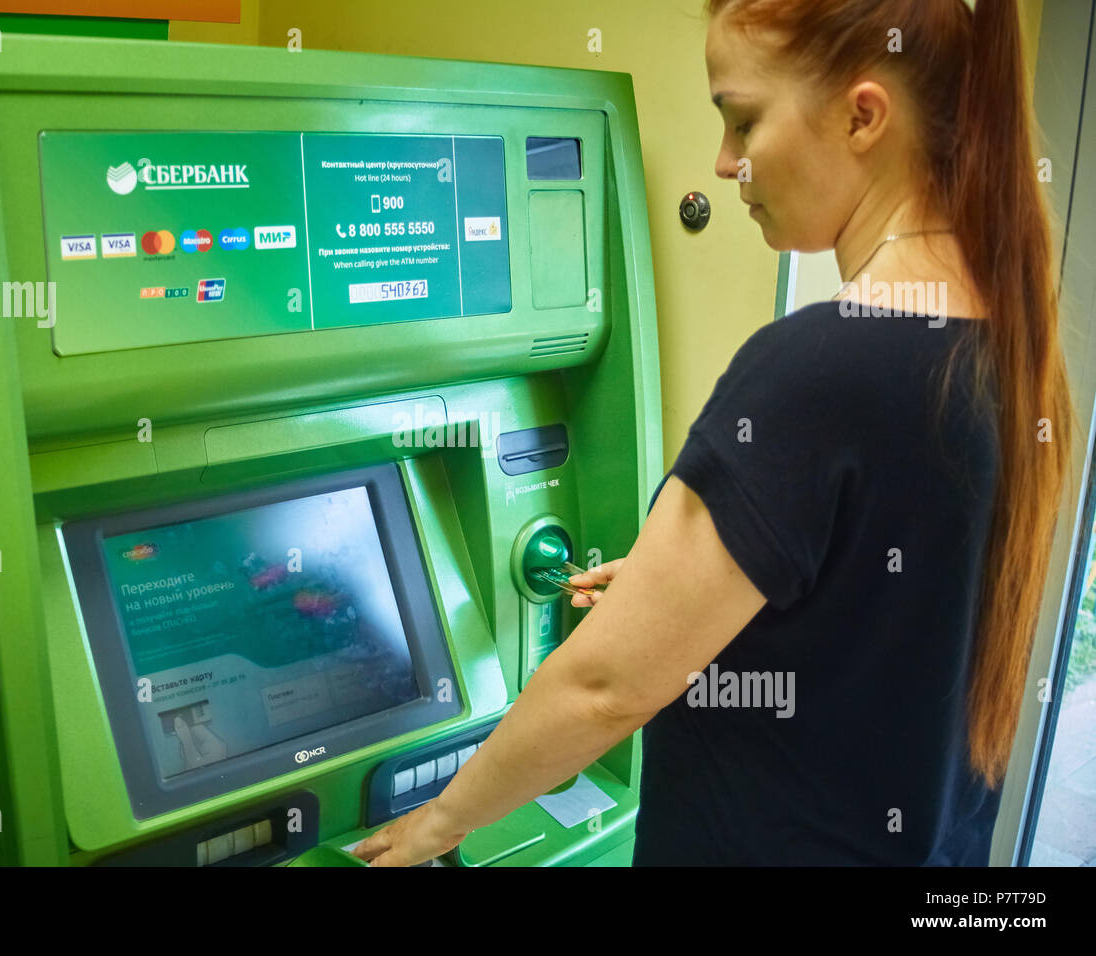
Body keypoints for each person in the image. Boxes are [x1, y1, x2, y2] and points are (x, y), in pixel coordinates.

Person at [352, 0, 1073, 866]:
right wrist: (687, 601)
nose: (724, 163)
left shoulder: (815, 369)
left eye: (743, 120)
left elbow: (602, 690)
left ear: (862, 115)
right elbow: (882, 626)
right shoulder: (1010, 348)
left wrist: (436, 825)